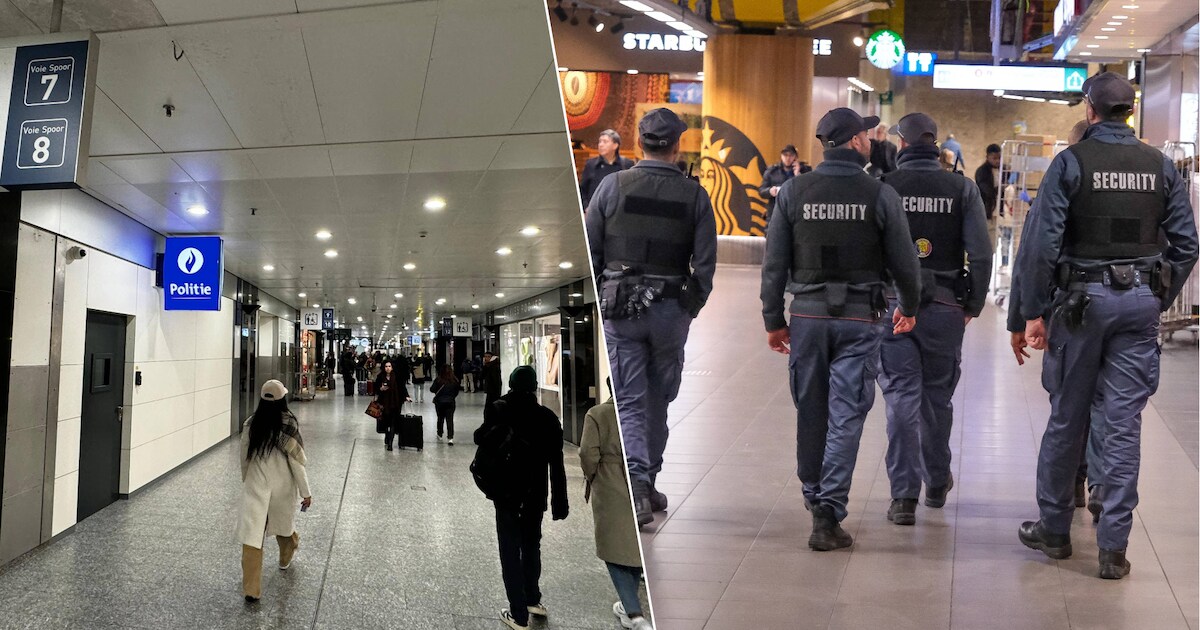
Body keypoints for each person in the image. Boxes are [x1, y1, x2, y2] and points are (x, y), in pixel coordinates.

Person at [1014, 72, 1197, 579]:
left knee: (1068, 418)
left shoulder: (1070, 163)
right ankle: (1113, 549)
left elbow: (1042, 245)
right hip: (1139, 305)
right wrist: (1157, 295)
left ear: (1090, 110)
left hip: (1080, 305)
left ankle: (1054, 532)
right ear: (1130, 112)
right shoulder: (1161, 166)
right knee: (1122, 425)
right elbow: (1187, 244)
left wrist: (1033, 311)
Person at [759, 107, 922, 551]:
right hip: (858, 317)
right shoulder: (879, 193)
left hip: (808, 317)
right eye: (867, 135)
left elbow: (774, 263)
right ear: (854, 142)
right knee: (847, 412)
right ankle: (828, 512)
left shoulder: (794, 191)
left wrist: (774, 320)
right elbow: (904, 260)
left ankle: (814, 494)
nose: (871, 140)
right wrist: (909, 305)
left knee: (811, 407)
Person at [585, 107, 718, 526]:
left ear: (639, 142)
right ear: (677, 145)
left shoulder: (611, 186)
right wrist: (688, 309)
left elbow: (592, 249)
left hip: (621, 306)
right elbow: (706, 265)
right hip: (669, 309)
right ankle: (646, 480)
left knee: (629, 399)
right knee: (659, 397)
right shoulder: (694, 195)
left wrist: (606, 291)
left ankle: (639, 485)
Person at [875, 113, 992, 525]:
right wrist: (973, 305)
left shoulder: (884, 186)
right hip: (945, 304)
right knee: (936, 398)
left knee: (901, 397)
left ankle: (903, 497)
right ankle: (937, 481)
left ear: (902, 145)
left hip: (892, 305)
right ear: (935, 143)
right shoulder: (962, 188)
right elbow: (980, 253)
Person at [1008, 119, 1102, 514]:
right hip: (1127, 306)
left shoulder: (1062, 180)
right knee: (1108, 406)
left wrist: (1023, 319)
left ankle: (1070, 491)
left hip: (1069, 310)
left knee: (1068, 406)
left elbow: (1032, 254)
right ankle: (1099, 488)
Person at [474, 366, 568, 630]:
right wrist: (559, 502)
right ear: (535, 386)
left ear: (512, 383)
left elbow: (480, 438)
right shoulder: (548, 417)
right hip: (535, 492)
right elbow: (556, 463)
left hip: (506, 491)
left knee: (509, 548)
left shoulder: (499, 408)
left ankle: (518, 614)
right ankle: (532, 599)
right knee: (531, 544)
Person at [579, 383, 652, 630]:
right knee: (630, 546)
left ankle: (634, 613)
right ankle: (627, 606)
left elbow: (588, 453)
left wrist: (594, 477)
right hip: (638, 480)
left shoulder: (597, 414)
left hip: (610, 482)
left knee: (613, 549)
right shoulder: (640, 412)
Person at [237, 380, 311, 602]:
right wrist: (306, 492)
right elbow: (297, 463)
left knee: (253, 536)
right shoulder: (289, 425)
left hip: (256, 485)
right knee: (281, 526)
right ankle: (285, 554)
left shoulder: (251, 424)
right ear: (283, 400)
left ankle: (252, 588)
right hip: (283, 486)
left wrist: (246, 479)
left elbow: (244, 457)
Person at [579, 129, 635, 209]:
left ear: (615, 145)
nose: (600, 145)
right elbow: (583, 190)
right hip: (595, 211)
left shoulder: (627, 164)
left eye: (605, 142)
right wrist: (586, 207)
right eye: (600, 141)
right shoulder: (591, 164)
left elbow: (631, 191)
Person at [759, 144, 802, 225]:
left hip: (794, 214)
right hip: (774, 212)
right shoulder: (772, 171)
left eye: (791, 155)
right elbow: (761, 191)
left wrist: (798, 175)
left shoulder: (804, 171)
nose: (788, 158)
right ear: (781, 156)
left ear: (795, 157)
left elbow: (807, 191)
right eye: (785, 155)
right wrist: (770, 191)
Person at [374, 360, 412, 451]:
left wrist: (406, 396)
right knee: (385, 422)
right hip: (383, 403)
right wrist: (381, 389)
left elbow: (402, 388)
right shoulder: (380, 377)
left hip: (395, 403)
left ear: (392, 367)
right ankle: (387, 435)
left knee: (393, 423)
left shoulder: (398, 377)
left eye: (389, 366)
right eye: (386, 366)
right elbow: (376, 389)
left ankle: (390, 443)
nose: (388, 368)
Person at [974, 143, 1003, 251]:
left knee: (996, 242)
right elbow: (986, 190)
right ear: (987, 157)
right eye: (994, 158)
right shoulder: (982, 171)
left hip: (999, 211)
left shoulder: (1003, 170)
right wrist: (1000, 189)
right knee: (987, 241)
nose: (997, 161)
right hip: (987, 210)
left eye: (999, 158)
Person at [430, 364, 461, 444]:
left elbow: (432, 389)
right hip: (450, 402)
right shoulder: (455, 380)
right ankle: (450, 437)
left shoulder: (438, 379)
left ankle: (439, 434)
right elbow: (456, 392)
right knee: (450, 420)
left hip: (439, 402)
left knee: (440, 419)